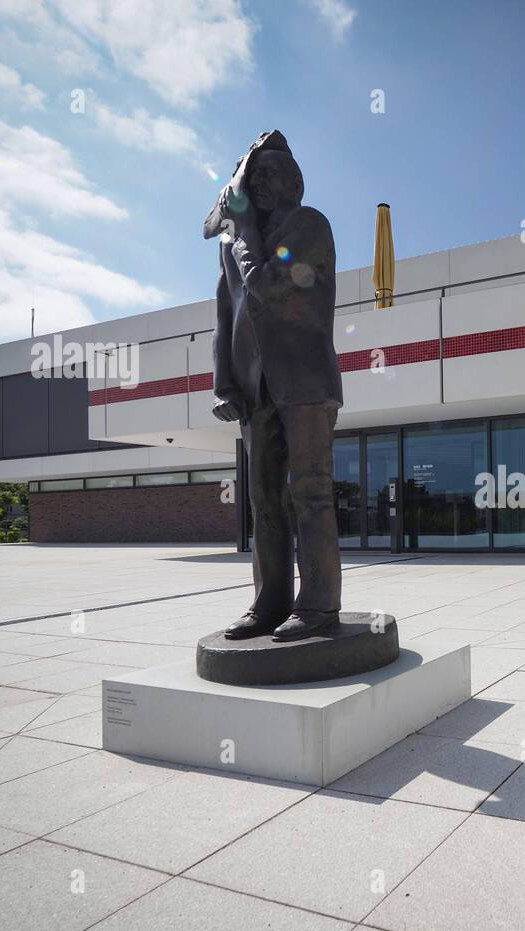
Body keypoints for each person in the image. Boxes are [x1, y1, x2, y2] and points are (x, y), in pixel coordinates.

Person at [204, 131, 344, 641]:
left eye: (269, 175)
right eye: (252, 175)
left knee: (309, 492)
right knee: (264, 501)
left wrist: (241, 230)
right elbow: (226, 314)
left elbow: (264, 286)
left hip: (305, 380)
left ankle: (320, 607)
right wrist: (225, 384)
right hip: (254, 389)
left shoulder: (308, 225)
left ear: (293, 182)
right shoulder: (234, 246)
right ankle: (269, 604)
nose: (258, 185)